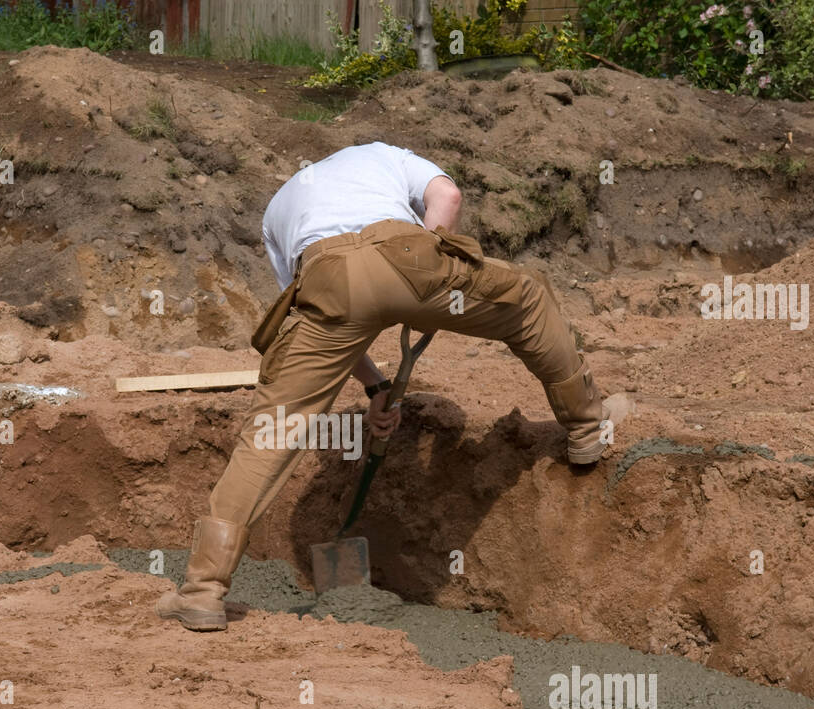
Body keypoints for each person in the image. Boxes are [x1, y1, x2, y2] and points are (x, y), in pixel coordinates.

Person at [157, 141, 626, 631]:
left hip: (326, 278)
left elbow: (324, 314)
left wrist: (374, 385)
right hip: (407, 256)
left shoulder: (278, 208)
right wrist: (427, 276)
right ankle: (586, 426)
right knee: (528, 299)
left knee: (272, 432)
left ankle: (202, 591)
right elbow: (448, 198)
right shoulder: (382, 153)